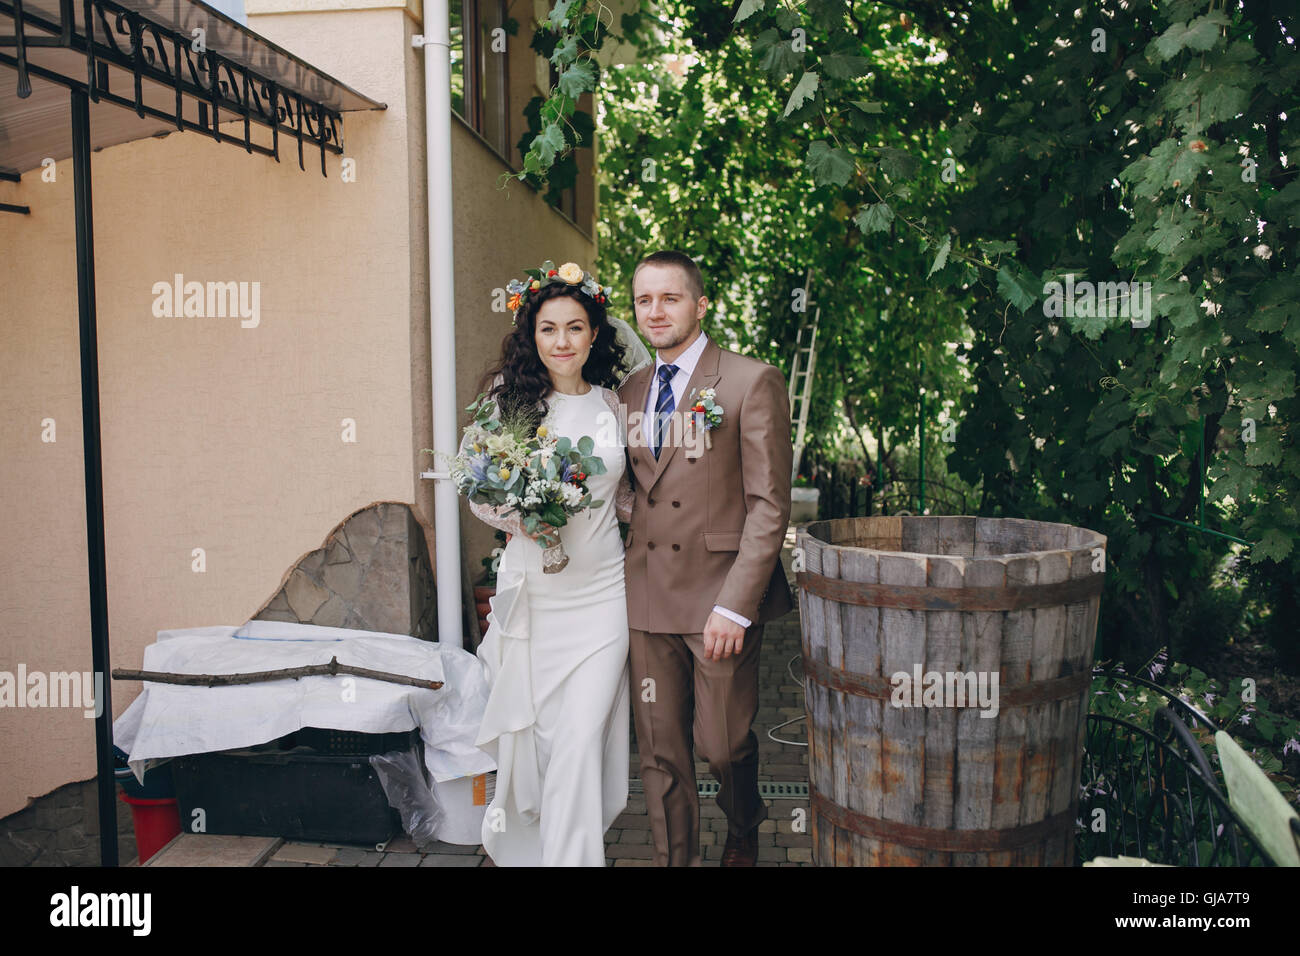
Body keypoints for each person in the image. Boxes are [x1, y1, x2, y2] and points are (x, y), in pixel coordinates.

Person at [465, 260, 650, 866]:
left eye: (575, 328)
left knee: (577, 742)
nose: (562, 341)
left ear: (595, 334)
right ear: (532, 336)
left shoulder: (615, 406)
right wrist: (528, 512)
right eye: (549, 329)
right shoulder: (510, 405)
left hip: (603, 597)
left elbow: (627, 499)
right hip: (538, 599)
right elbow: (478, 490)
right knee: (544, 743)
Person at [618, 250, 794, 866]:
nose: (656, 310)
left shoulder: (751, 381)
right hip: (647, 598)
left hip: (718, 600)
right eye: (644, 299)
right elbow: (635, 490)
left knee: (723, 744)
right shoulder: (630, 391)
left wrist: (736, 608)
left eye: (670, 297)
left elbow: (769, 506)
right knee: (661, 754)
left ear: (700, 304)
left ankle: (744, 824)